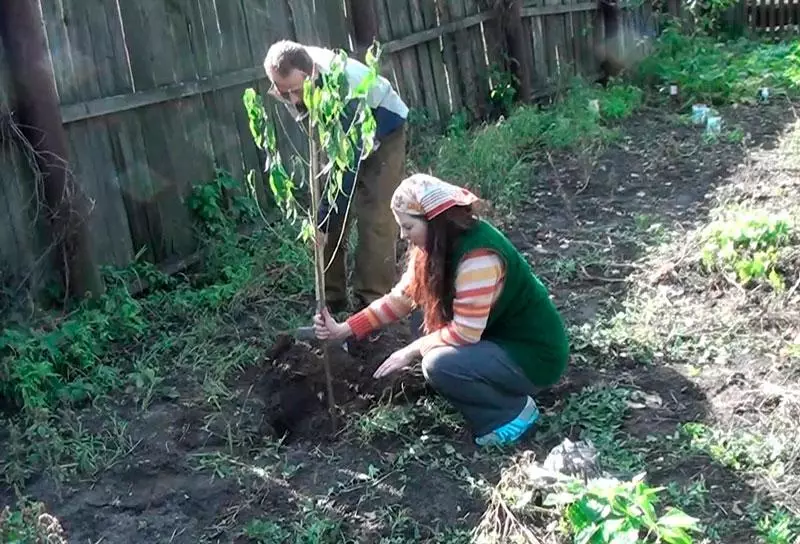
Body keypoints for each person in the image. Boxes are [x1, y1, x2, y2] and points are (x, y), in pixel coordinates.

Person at [312, 174, 570, 446]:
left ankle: (511, 414)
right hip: (498, 339)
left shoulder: (478, 257)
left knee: (438, 364)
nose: (403, 236)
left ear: (433, 220)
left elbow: (466, 333)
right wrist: (344, 330)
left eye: (408, 227)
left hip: (534, 356)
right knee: (421, 322)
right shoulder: (437, 245)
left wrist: (410, 351)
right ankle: (477, 381)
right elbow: (401, 299)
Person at [263, 40, 409, 316]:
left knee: (375, 217)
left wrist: (324, 220)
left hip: (383, 126)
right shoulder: (290, 68)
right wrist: (324, 219)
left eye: (296, 91)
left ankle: (373, 303)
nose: (293, 100)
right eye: (284, 92)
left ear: (312, 74)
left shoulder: (346, 87)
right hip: (337, 133)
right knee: (327, 215)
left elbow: (347, 167)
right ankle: (332, 301)